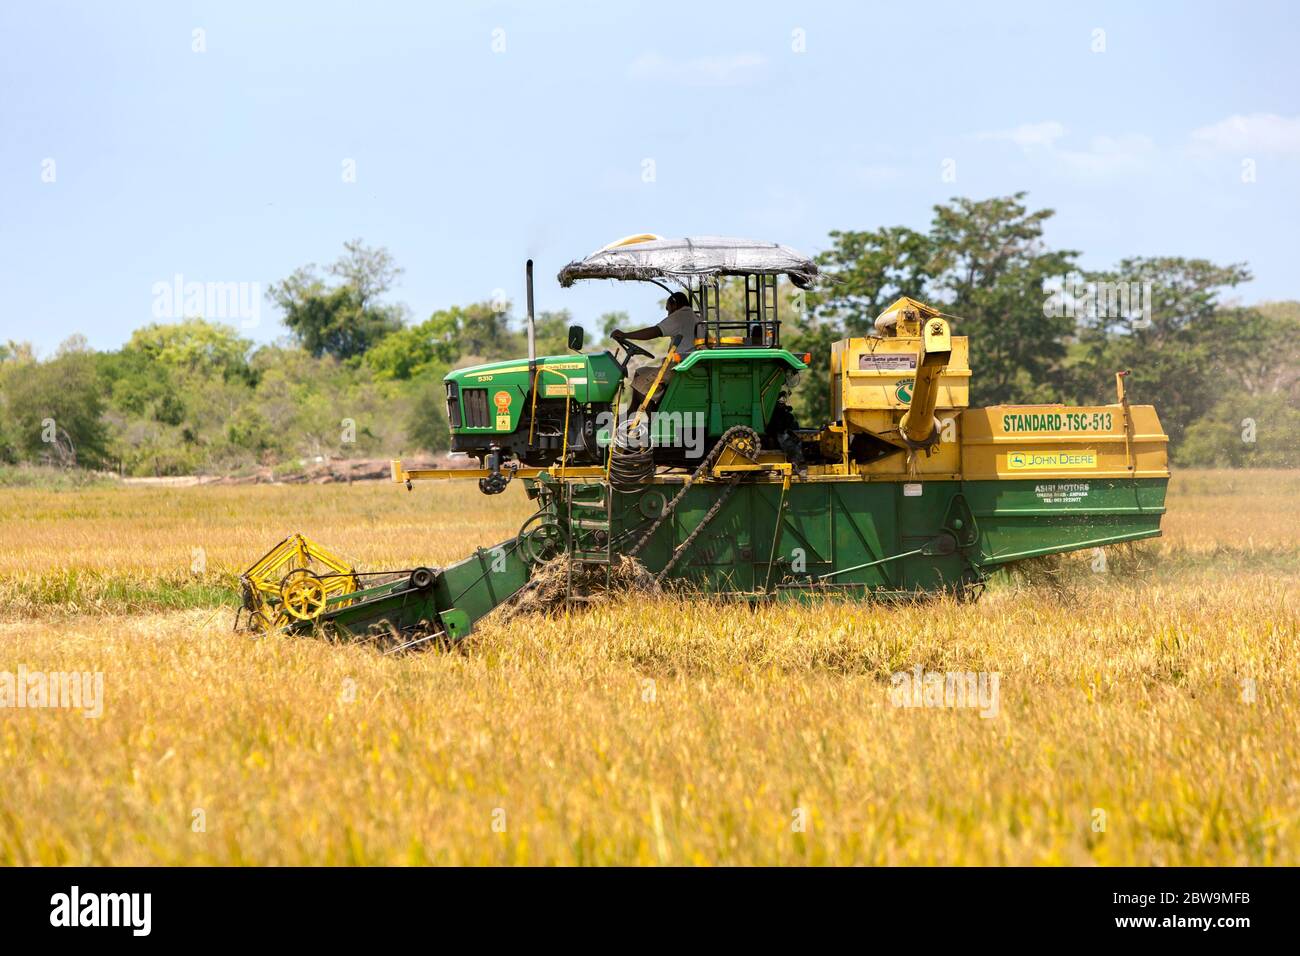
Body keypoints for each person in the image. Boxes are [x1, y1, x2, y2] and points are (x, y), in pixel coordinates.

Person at [613, 291, 700, 410]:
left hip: (680, 367)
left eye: (668, 309)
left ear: (674, 304)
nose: (668, 313)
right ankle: (632, 414)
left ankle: (652, 421)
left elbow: (655, 331)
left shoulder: (680, 316)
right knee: (640, 372)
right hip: (688, 364)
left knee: (640, 381)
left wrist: (625, 335)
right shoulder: (695, 317)